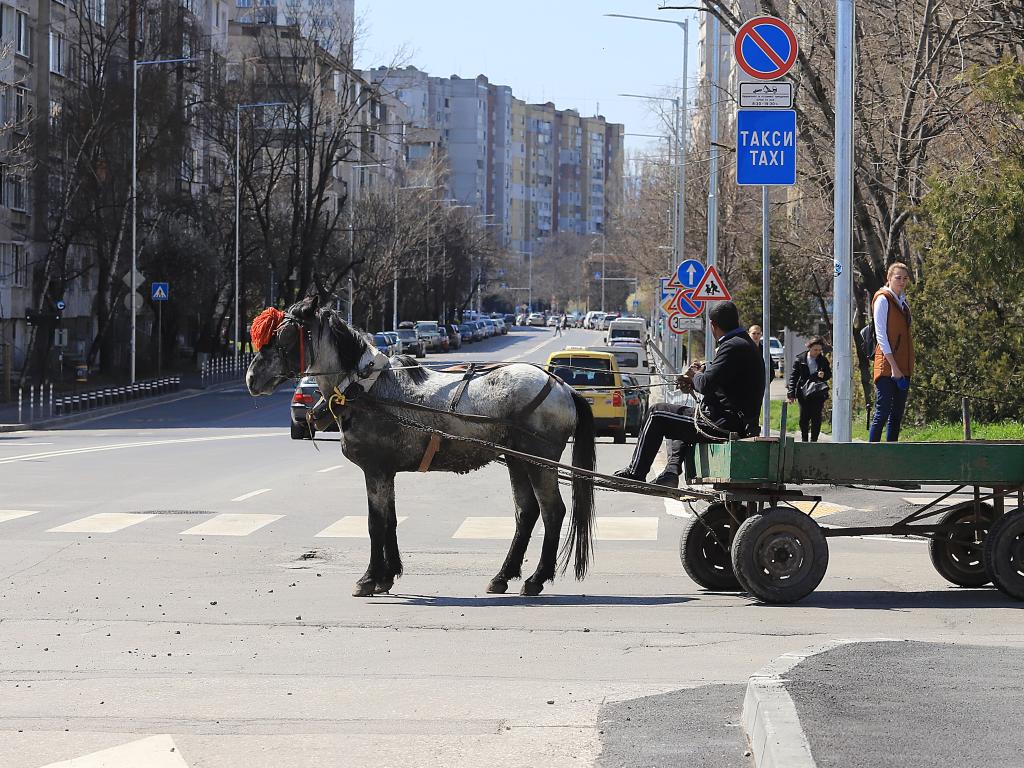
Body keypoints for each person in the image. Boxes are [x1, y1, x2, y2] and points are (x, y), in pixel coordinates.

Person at [614, 301, 765, 488]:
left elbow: (707, 385)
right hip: (736, 421)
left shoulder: (732, 346)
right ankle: (670, 472)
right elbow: (724, 377)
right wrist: (704, 370)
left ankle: (635, 473)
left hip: (724, 423)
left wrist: (695, 375)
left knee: (656, 413)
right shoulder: (745, 343)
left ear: (713, 325)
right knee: (680, 417)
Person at [869, 262, 914, 442]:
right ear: (889, 278)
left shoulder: (902, 300)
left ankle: (891, 452)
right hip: (887, 364)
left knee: (897, 414)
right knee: (883, 410)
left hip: (904, 363)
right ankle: (871, 453)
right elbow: (881, 335)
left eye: (905, 279)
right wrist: (894, 367)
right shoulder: (883, 299)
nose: (902, 282)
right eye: (898, 278)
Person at [787, 336, 831, 442]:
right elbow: (793, 377)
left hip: (818, 392)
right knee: (804, 417)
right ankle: (804, 439)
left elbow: (829, 374)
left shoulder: (823, 360)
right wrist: (791, 394)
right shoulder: (800, 359)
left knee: (816, 417)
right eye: (815, 350)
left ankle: (814, 440)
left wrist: (823, 375)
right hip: (803, 392)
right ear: (809, 348)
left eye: (820, 350)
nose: (817, 352)